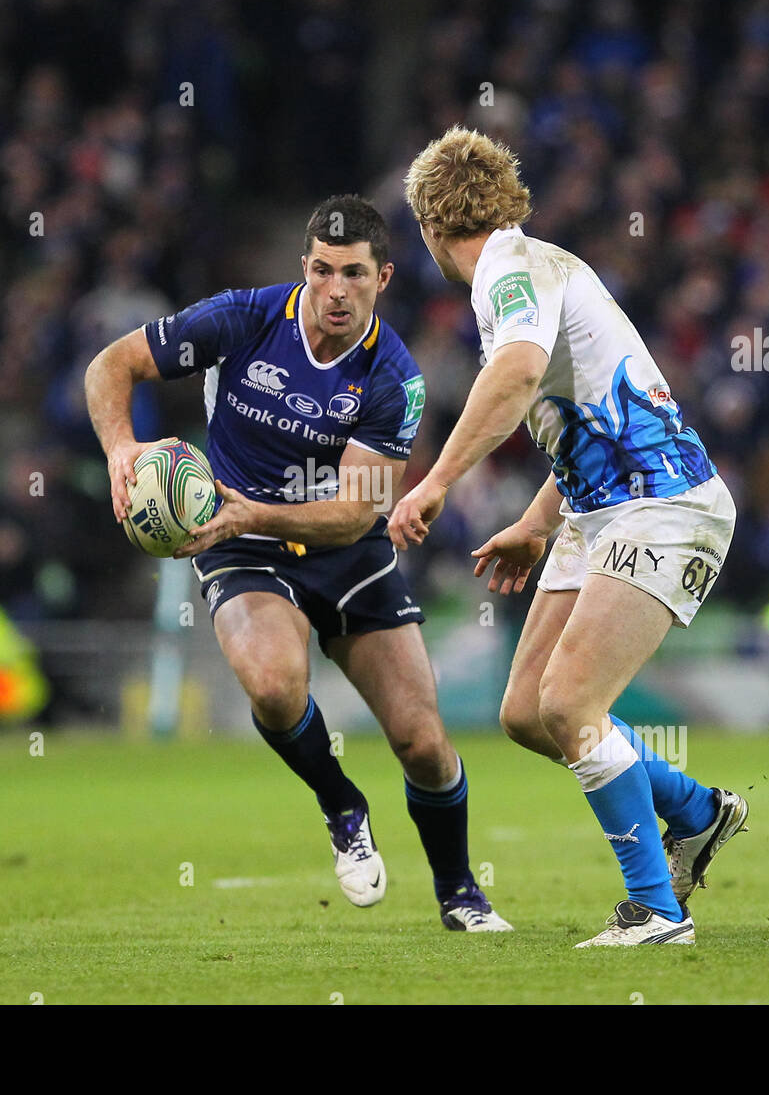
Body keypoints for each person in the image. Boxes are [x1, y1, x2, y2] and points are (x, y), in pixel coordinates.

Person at [85, 195, 510, 931]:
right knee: (276, 687)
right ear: (303, 268)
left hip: (344, 549)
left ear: (383, 277)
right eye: (321, 270)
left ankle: (459, 890)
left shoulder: (394, 380)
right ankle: (342, 805)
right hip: (239, 544)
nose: (334, 289)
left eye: (352, 273)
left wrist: (253, 510)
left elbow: (354, 512)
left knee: (423, 742)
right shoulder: (242, 318)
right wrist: (122, 448)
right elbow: (110, 365)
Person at [390, 128, 747, 946]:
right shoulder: (536, 267)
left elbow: (513, 375)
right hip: (599, 506)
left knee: (571, 702)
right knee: (525, 711)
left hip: (665, 504)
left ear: (428, 226)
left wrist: (438, 479)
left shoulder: (509, 273)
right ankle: (698, 812)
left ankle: (657, 910)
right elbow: (590, 417)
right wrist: (531, 521)